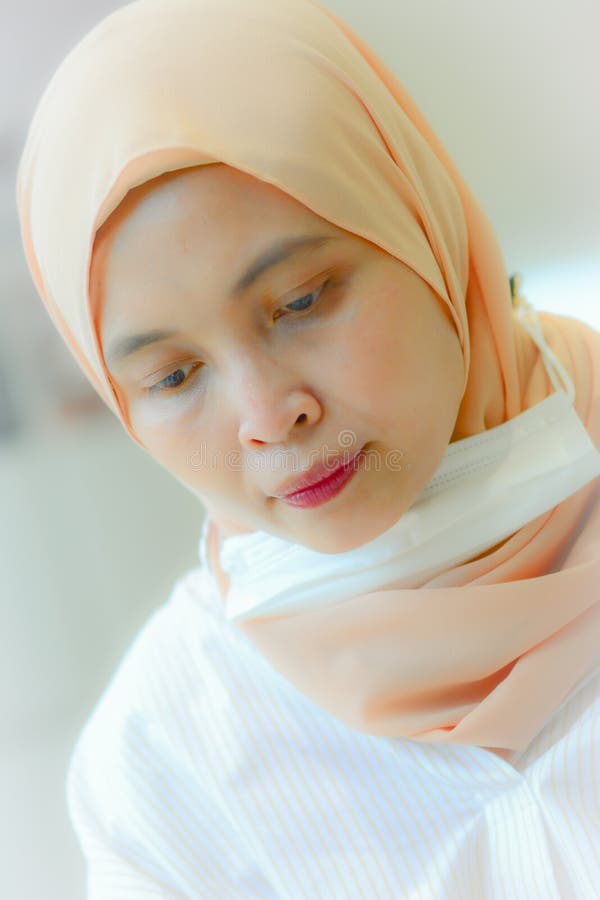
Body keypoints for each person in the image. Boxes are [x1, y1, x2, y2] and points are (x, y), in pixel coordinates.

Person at [16, 0, 600, 896]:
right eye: (173, 378)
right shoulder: (164, 773)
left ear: (419, 223)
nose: (265, 414)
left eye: (301, 300)